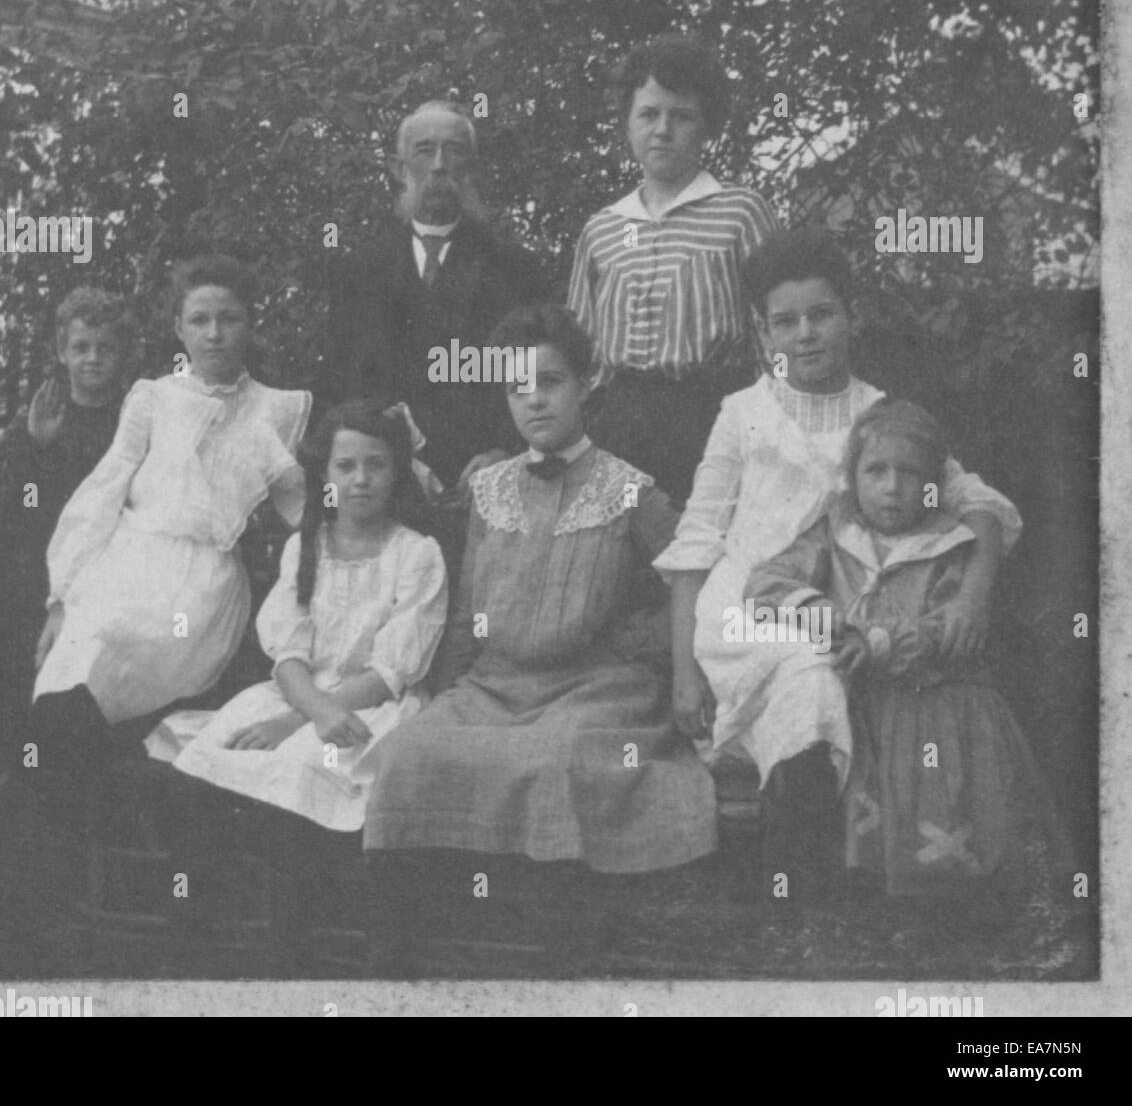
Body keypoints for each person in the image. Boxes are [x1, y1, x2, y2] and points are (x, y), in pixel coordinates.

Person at [654, 227, 1021, 909]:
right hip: (746, 607)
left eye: (821, 314)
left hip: (840, 608)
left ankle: (824, 882)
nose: (805, 334)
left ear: (851, 316)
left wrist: (975, 591)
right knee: (814, 677)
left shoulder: (877, 414)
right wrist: (682, 670)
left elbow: (977, 503)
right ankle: (793, 889)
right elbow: (697, 541)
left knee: (826, 669)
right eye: (784, 322)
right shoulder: (743, 413)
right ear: (762, 333)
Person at [363, 304, 715, 974]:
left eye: (550, 381)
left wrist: (679, 671)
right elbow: (469, 613)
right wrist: (434, 695)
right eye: (516, 387)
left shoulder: (628, 489)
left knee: (557, 761)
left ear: (585, 387)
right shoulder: (488, 488)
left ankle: (562, 973)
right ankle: (401, 977)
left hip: (596, 687)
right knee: (409, 755)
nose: (533, 398)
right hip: (493, 686)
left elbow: (690, 574)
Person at [149, 400, 448, 970]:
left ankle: (287, 948)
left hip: (368, 704)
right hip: (298, 694)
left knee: (301, 767)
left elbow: (392, 669)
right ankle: (192, 931)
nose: (360, 479)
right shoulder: (305, 547)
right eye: (346, 466)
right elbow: (288, 653)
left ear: (396, 473)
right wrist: (300, 711)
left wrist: (304, 720)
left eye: (376, 465)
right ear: (326, 476)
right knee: (200, 759)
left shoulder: (417, 554)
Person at [745, 398, 1069, 920]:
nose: (892, 487)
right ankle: (863, 903)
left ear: (934, 484)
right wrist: (824, 615)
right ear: (852, 477)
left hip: (936, 703)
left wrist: (877, 641)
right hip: (866, 704)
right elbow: (766, 584)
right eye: (875, 471)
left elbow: (948, 629)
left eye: (909, 473)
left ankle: (949, 910)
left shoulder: (950, 542)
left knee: (946, 809)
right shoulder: (833, 532)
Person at [26, 253, 308, 801]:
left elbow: (304, 512)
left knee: (123, 648)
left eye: (229, 319)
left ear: (250, 325)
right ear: (179, 328)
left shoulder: (278, 409)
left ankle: (48, 816)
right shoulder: (153, 397)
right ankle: (52, 823)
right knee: (77, 658)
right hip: (124, 563)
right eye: (199, 320)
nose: (214, 333)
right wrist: (61, 594)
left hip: (203, 584)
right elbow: (104, 488)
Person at [568, 34, 779, 504]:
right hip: (618, 427)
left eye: (680, 116)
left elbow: (773, 334)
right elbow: (581, 350)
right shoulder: (603, 228)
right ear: (627, 124)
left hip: (711, 418)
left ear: (707, 127)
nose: (662, 129)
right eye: (648, 114)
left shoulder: (739, 212)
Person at [324, 101, 547, 492]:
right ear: (398, 168)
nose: (440, 165)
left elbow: (535, 375)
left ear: (472, 168)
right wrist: (393, 460)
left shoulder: (515, 269)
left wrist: (507, 451)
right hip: (385, 482)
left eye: (454, 151)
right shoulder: (359, 271)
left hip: (486, 479)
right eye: (425, 151)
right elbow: (343, 384)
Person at [0, 287, 139, 746]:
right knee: (26, 691)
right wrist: (35, 445)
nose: (92, 359)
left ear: (122, 353)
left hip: (106, 575)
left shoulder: (133, 418)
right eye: (80, 347)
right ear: (61, 351)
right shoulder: (43, 412)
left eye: (105, 348)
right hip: (34, 575)